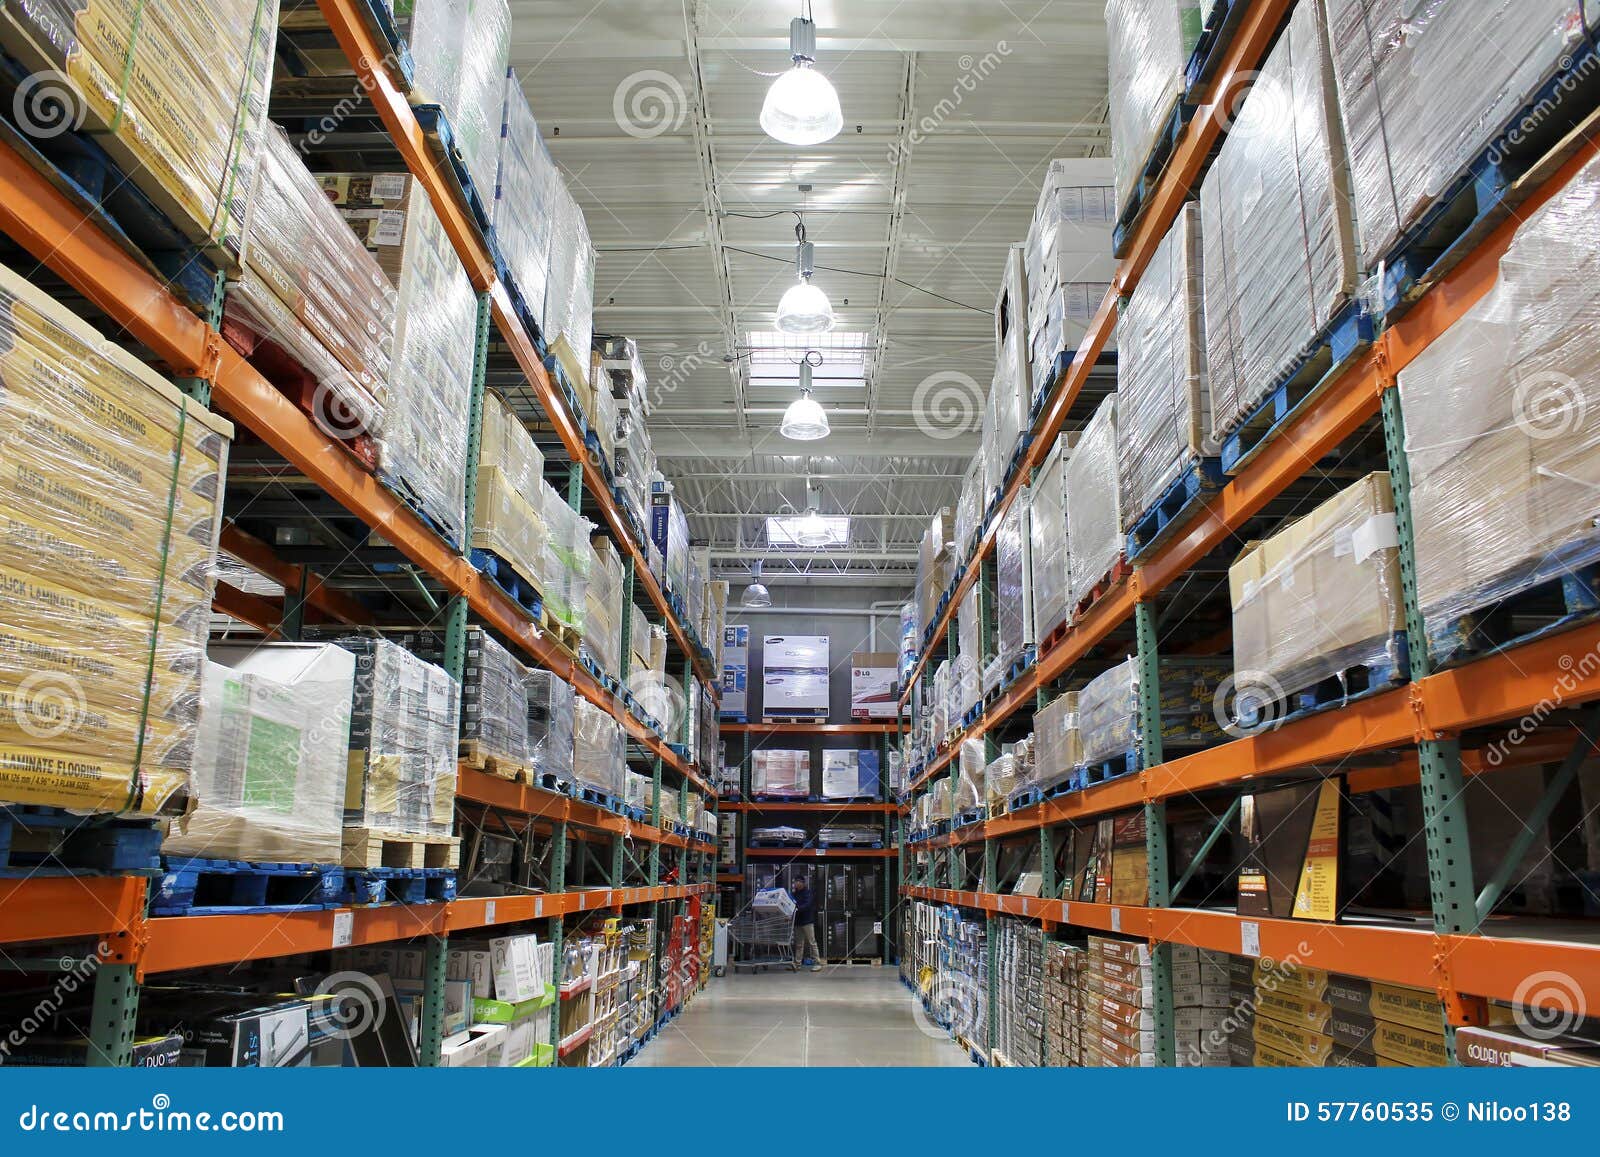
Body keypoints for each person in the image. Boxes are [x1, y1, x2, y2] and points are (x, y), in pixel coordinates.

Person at [790, 878, 823, 972]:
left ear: (802, 883)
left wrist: (797, 909)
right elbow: (791, 904)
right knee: (799, 944)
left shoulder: (808, 893)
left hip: (807, 921)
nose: (795, 884)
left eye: (797, 882)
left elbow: (807, 905)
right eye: (795, 882)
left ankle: (817, 963)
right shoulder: (794, 894)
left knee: (812, 942)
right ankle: (797, 964)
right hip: (798, 922)